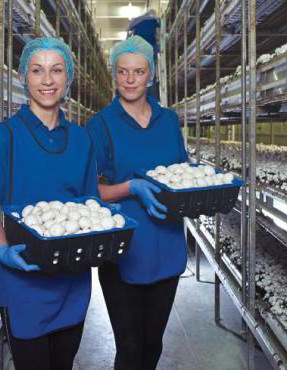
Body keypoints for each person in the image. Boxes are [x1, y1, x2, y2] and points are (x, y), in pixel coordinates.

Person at [0, 37, 97, 370]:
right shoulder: (3, 138)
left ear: (67, 78)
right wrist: (2, 249)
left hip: (72, 280)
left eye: (56, 70)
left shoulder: (82, 140)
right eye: (37, 70)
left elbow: (91, 210)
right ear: (24, 77)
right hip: (24, 282)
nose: (47, 80)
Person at [86, 35, 188, 370]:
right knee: (130, 348)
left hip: (168, 244)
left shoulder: (169, 120)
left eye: (139, 71)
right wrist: (131, 187)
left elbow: (182, 175)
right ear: (114, 75)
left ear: (151, 75)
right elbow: (88, 193)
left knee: (153, 345)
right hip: (123, 248)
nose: (130, 79)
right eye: (123, 71)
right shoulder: (100, 125)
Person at [127, 9, 160, 99]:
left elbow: (128, 30)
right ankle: (152, 96)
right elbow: (160, 33)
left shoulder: (137, 21)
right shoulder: (155, 21)